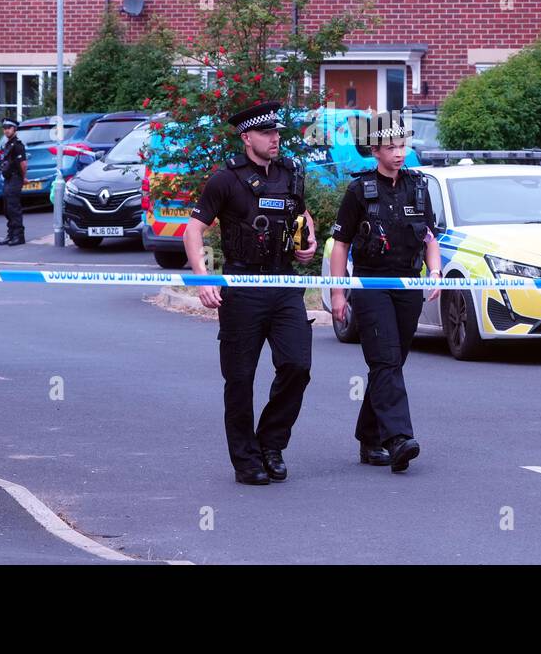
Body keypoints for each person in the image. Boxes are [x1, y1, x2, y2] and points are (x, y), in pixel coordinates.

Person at [183, 101, 318, 486]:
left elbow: (301, 215)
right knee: (240, 378)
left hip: (285, 284)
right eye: (267, 134)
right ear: (247, 138)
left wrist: (308, 241)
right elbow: (193, 230)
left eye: (277, 133)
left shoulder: (291, 172)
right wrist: (203, 278)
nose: (276, 139)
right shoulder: (226, 180)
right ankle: (246, 459)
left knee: (297, 366)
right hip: (242, 289)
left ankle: (271, 443)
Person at [329, 118, 442, 473]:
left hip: (407, 284)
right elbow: (340, 244)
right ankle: (398, 439)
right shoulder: (360, 190)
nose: (399, 153)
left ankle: (368, 436)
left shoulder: (418, 186)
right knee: (385, 361)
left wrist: (435, 272)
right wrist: (338, 292)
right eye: (391, 148)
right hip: (370, 284)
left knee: (391, 363)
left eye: (402, 146)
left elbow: (429, 238)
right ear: (375, 151)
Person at [0, 118, 28, 247]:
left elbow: (24, 164)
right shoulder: (8, 144)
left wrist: (23, 177)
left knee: (13, 207)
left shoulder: (18, 145)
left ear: (14, 129)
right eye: (4, 128)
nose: (6, 130)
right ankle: (11, 234)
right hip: (8, 178)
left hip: (15, 178)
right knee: (6, 207)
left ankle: (19, 236)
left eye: (9, 128)